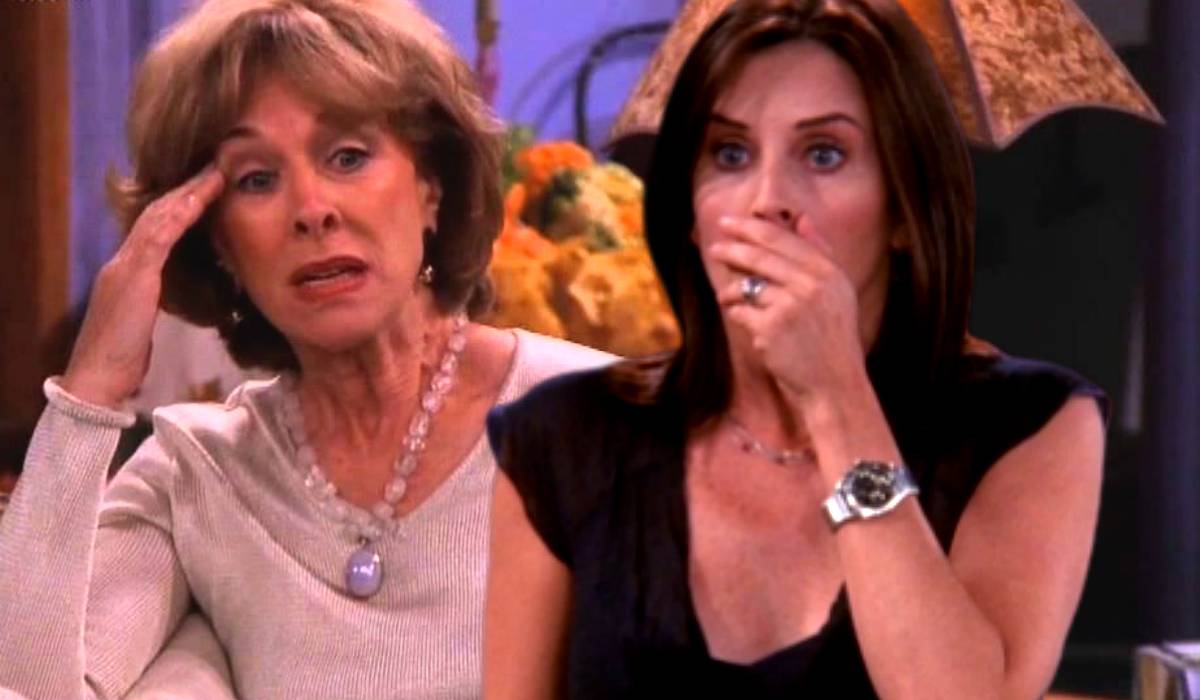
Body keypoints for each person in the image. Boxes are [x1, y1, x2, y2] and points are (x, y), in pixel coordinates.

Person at [484, 0, 1107, 697]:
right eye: (730, 154)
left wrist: (835, 396)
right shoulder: (561, 437)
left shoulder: (1033, 427)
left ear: (904, 212)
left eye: (824, 154)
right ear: (691, 213)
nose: (768, 200)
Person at [0, 1, 611, 698]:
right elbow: (25, 688)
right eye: (256, 179)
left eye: (348, 157)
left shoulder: (600, 424)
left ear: (431, 187)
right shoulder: (198, 474)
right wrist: (91, 386)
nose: (312, 210)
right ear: (217, 241)